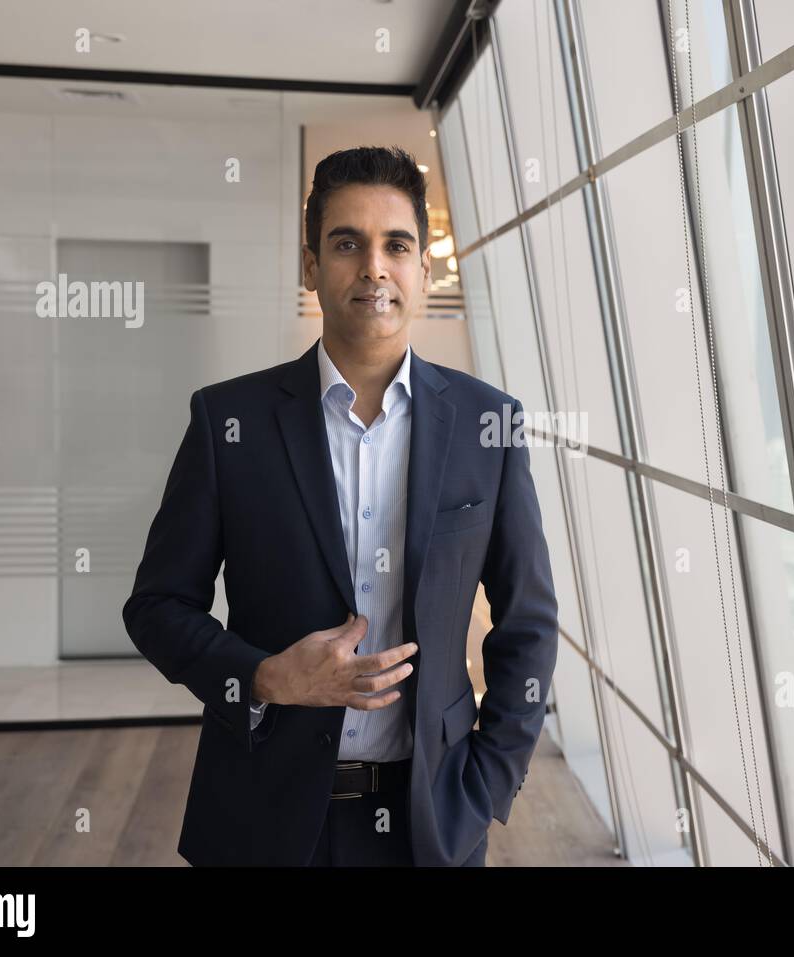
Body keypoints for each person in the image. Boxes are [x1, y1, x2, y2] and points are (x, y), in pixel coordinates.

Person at [122, 145, 558, 866]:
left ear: (423, 267)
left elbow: (531, 622)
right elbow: (158, 605)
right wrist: (264, 676)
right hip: (263, 818)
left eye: (396, 245)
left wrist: (485, 784)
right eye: (347, 243)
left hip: (432, 823)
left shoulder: (491, 425)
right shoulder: (228, 422)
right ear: (311, 266)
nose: (374, 268)